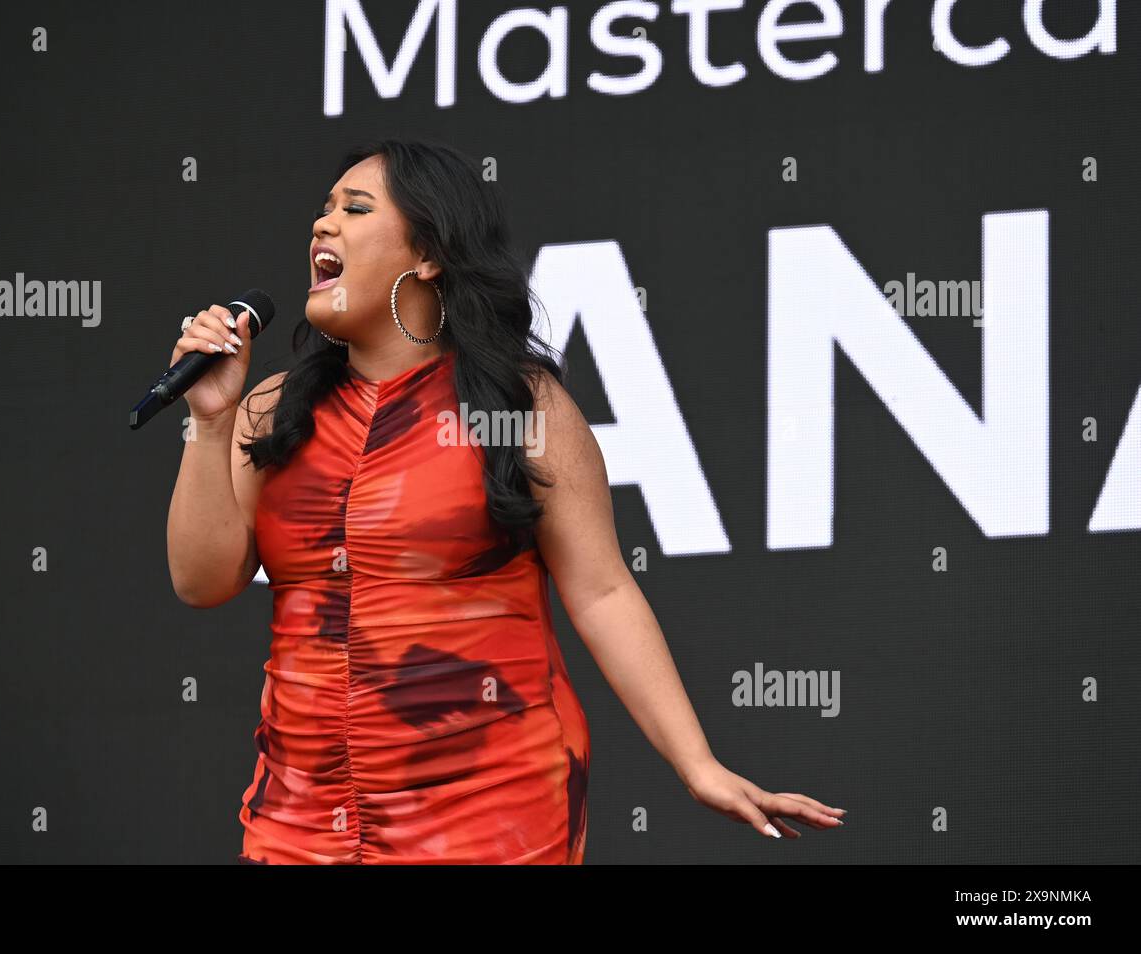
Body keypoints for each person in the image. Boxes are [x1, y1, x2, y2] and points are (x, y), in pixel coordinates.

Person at [165, 138, 846, 864]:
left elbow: (603, 590)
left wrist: (697, 764)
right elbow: (201, 582)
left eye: (354, 209)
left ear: (427, 253)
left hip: (486, 802)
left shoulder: (519, 405)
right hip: (301, 811)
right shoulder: (272, 409)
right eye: (322, 212)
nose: (322, 226)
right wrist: (209, 422)